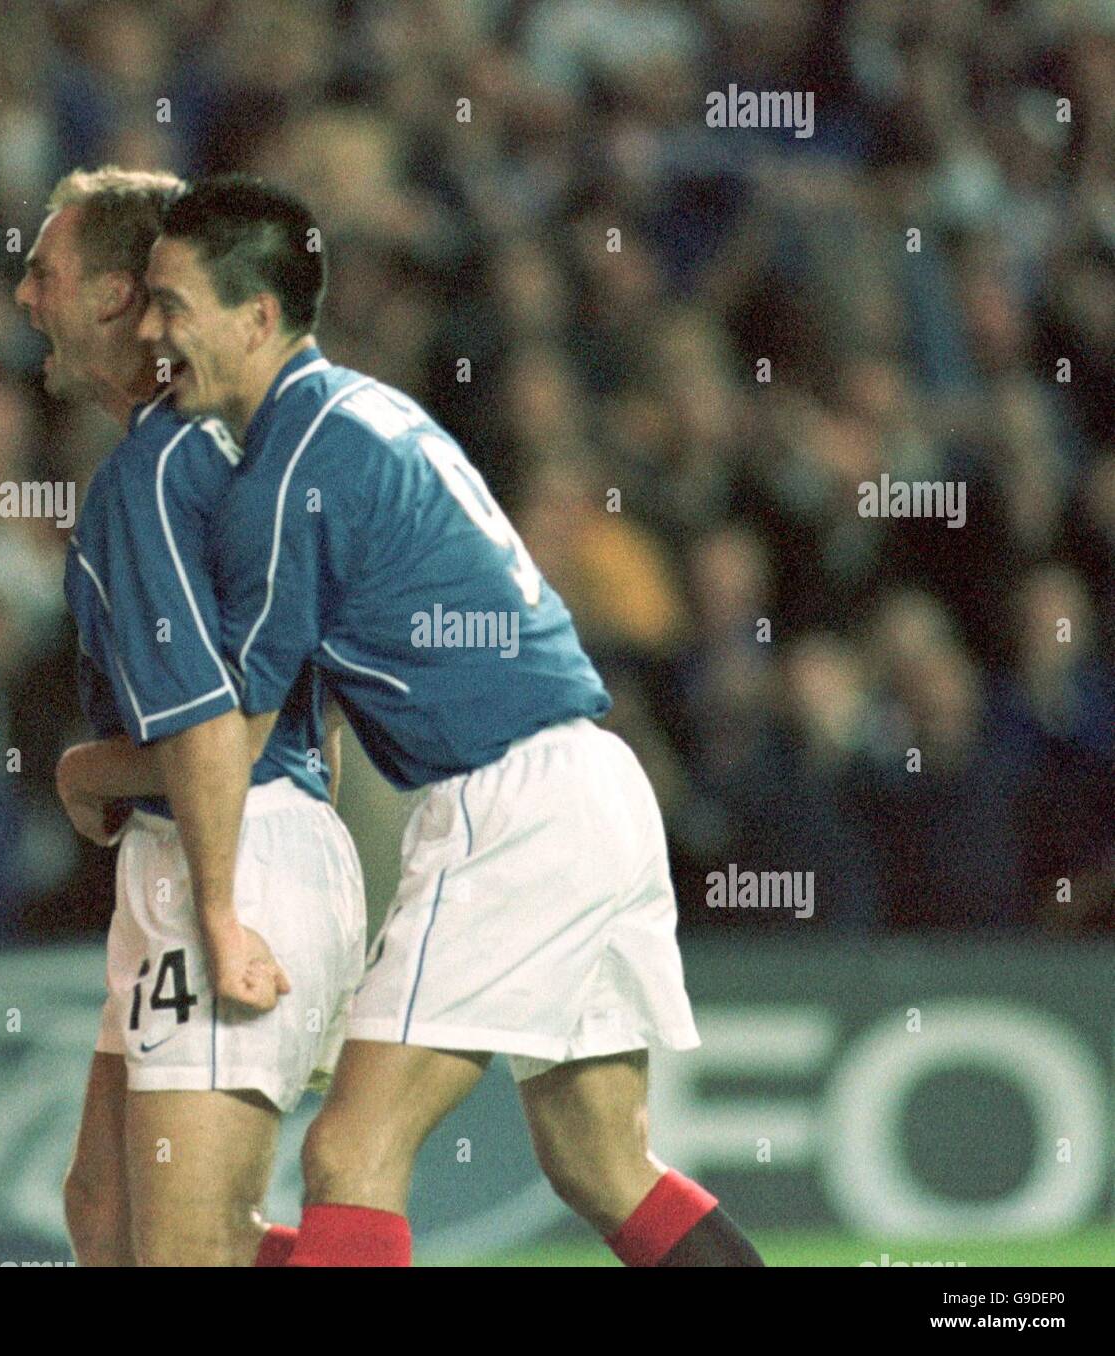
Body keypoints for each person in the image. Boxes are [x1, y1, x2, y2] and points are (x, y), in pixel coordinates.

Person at [135, 173, 763, 1267]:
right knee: (602, 1164)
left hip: (507, 806)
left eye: (172, 305)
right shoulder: (367, 411)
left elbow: (238, 735)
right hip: (594, 785)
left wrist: (105, 783)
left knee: (350, 1155)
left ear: (255, 317)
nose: (151, 332)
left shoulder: (290, 472)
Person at [14, 168, 365, 1267]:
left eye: (43, 272)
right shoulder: (234, 448)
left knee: (184, 1250)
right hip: (243, 840)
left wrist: (216, 905)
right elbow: (298, 689)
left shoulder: (155, 469)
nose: (24, 296)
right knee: (108, 1218)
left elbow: (210, 723)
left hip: (226, 856)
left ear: (117, 295)